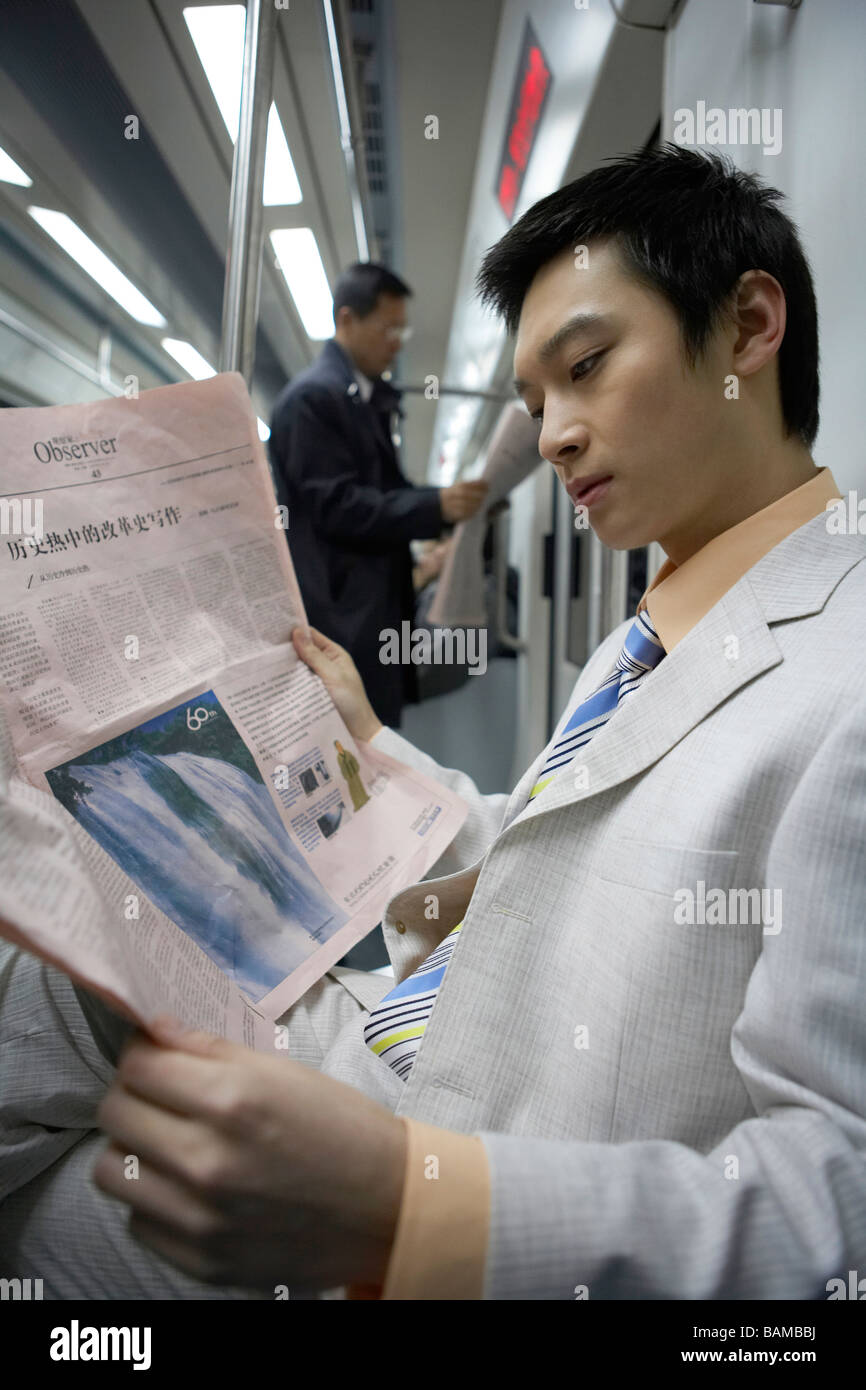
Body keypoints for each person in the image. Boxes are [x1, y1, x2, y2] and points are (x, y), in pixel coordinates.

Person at [2, 144, 865, 1299]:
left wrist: (405, 1211)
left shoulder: (840, 681)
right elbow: (557, 846)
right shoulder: (649, 628)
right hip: (399, 1025)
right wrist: (368, 739)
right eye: (533, 401)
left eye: (587, 365)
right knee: (51, 970)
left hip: (437, 1153)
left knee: (41, 1200)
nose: (553, 434)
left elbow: (835, 1198)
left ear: (749, 327)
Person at [268, 262, 488, 728]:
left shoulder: (365, 399)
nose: (396, 342)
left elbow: (387, 493)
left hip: (370, 615)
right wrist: (434, 506)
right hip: (339, 620)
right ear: (346, 320)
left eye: (401, 332)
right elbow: (337, 507)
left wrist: (445, 502)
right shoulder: (313, 400)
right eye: (387, 328)